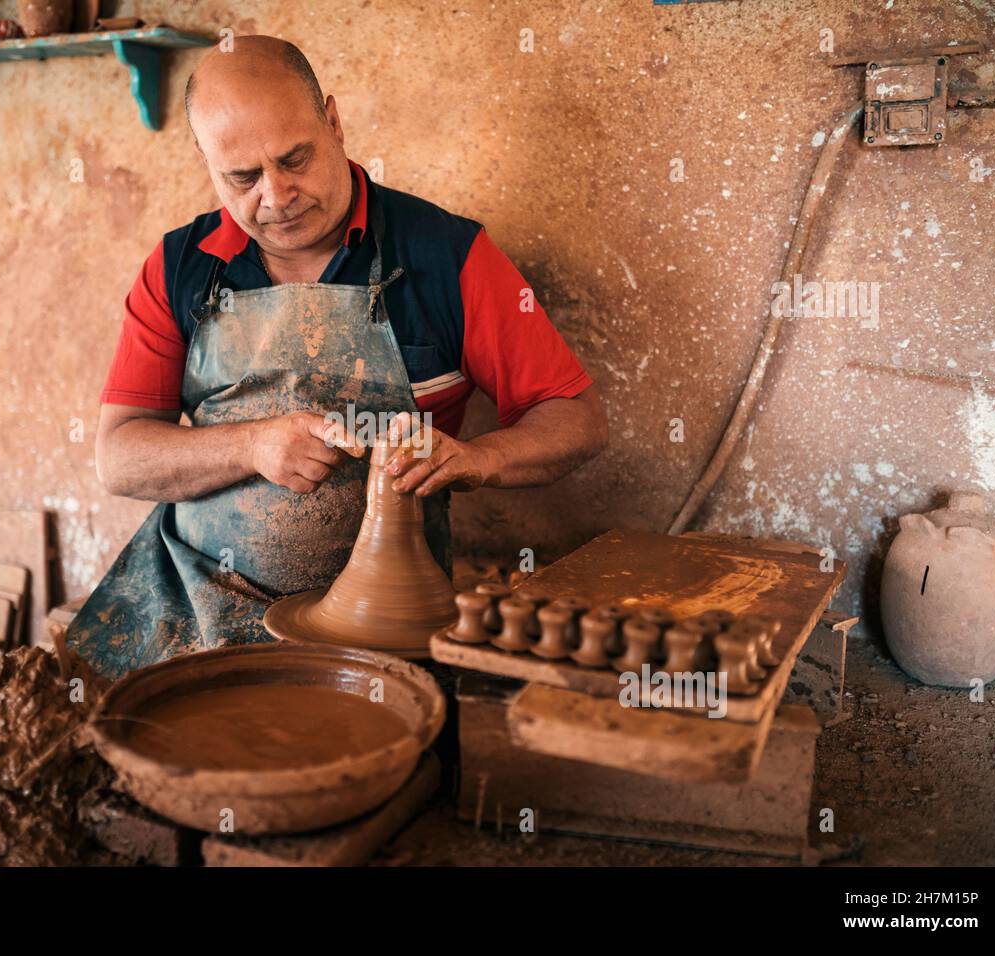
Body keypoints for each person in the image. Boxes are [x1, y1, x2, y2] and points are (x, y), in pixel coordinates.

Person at [68, 36, 607, 679]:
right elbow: (119, 456)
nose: (275, 195)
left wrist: (477, 459)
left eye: (295, 158)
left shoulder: (447, 256)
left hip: (381, 629)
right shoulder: (180, 267)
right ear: (205, 161)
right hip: (194, 607)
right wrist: (251, 446)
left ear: (333, 121)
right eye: (242, 177)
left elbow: (576, 418)